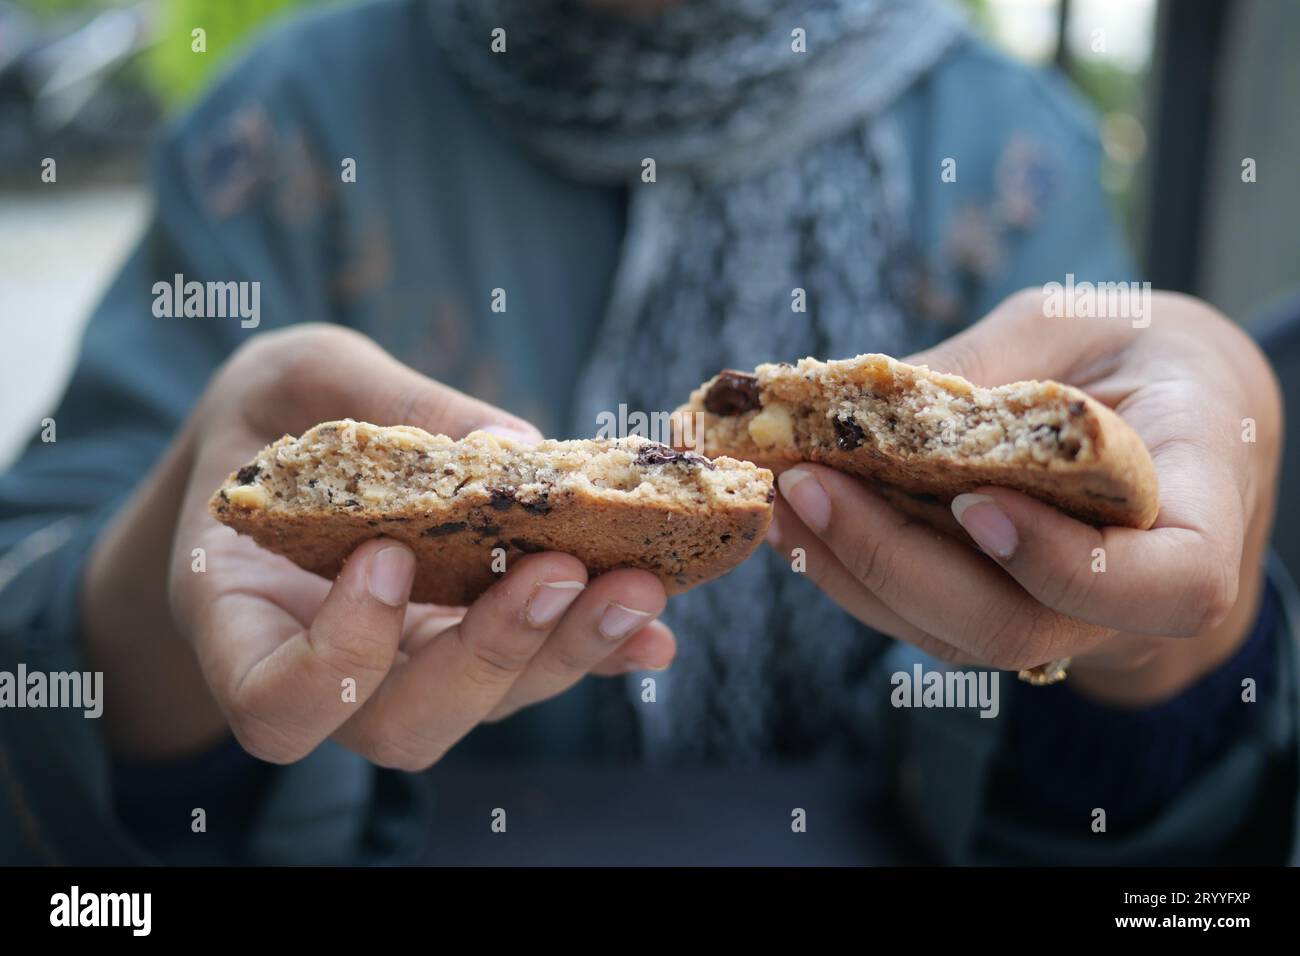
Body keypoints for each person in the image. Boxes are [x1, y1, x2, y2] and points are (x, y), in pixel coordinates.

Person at [0, 0, 1293, 866]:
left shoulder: (1015, 153)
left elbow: (1148, 814)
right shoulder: (277, 131)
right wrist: (166, 584)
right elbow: (35, 680)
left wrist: (1168, 639)